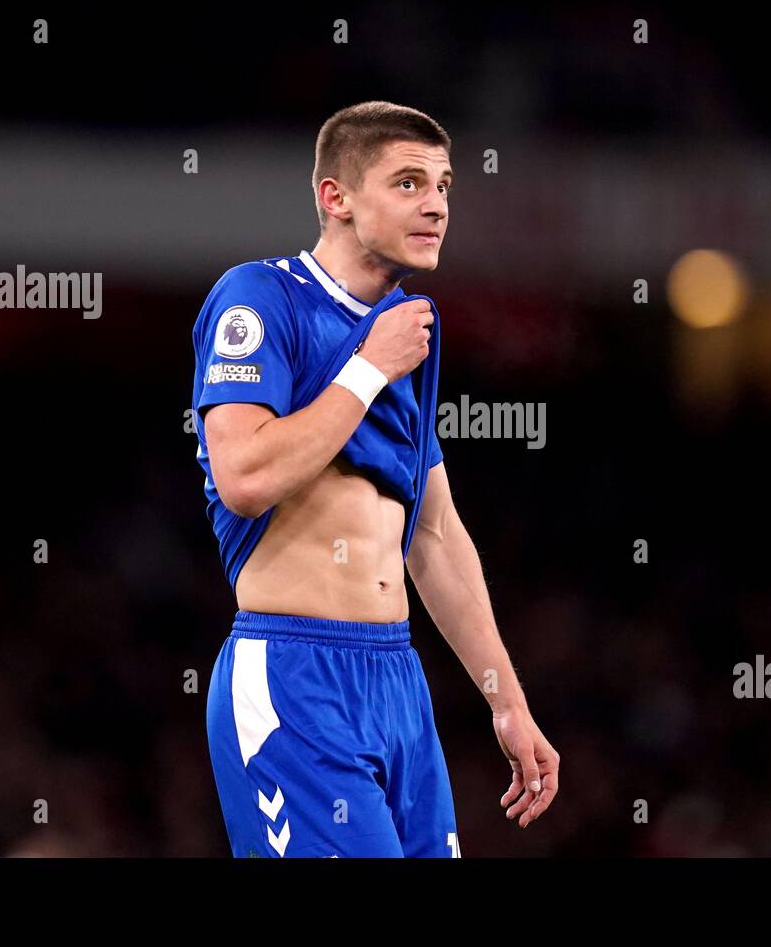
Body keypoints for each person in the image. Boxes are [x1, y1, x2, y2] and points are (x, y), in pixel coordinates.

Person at [190, 101, 559, 857]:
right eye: (409, 183)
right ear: (337, 198)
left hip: (398, 682)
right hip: (294, 672)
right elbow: (244, 475)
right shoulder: (261, 298)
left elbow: (434, 533)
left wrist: (507, 703)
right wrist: (368, 367)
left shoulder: (405, 329)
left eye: (445, 186)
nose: (437, 205)